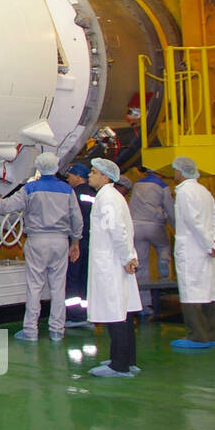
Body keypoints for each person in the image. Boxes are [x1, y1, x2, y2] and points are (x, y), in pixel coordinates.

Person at [0, 152, 83, 342]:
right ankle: (57, 330)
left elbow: (6, 207)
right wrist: (75, 242)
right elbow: (77, 219)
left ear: (38, 167)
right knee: (58, 287)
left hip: (37, 240)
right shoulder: (67, 190)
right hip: (60, 241)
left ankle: (30, 331)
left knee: (34, 286)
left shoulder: (30, 189)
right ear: (57, 167)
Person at [85, 158, 139, 378]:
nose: (90, 175)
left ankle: (119, 365)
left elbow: (116, 230)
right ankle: (127, 359)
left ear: (105, 177)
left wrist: (127, 257)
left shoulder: (106, 198)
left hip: (111, 262)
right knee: (121, 311)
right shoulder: (113, 196)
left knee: (116, 313)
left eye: (94, 172)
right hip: (115, 260)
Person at [170, 156, 215, 349]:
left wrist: (209, 244)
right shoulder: (204, 191)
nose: (174, 173)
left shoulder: (184, 193)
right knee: (208, 291)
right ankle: (209, 333)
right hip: (207, 249)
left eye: (175, 170)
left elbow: (192, 222)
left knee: (191, 291)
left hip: (193, 249)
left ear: (182, 172)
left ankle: (196, 336)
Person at [129, 167, 174, 309]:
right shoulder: (163, 186)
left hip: (135, 225)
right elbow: (170, 209)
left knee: (140, 264)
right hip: (154, 225)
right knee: (163, 246)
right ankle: (164, 265)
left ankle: (143, 304)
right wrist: (175, 226)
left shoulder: (137, 184)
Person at [64, 162, 97, 327]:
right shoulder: (93, 194)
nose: (68, 179)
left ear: (78, 176)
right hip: (91, 242)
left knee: (73, 278)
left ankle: (75, 316)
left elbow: (70, 218)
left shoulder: (73, 195)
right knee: (85, 277)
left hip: (75, 242)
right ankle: (86, 313)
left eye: (70, 176)